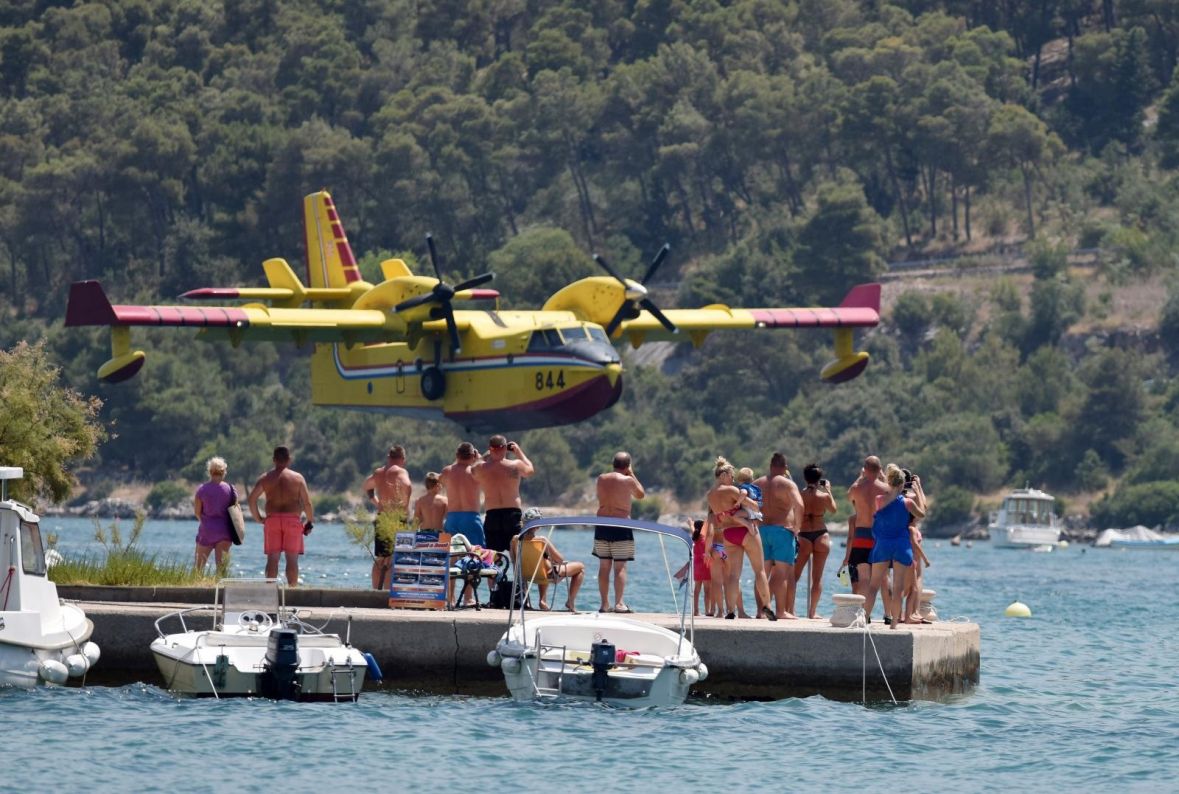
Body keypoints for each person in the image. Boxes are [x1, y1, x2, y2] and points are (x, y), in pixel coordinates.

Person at [708, 456, 774, 621]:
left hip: (728, 534)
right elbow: (753, 505)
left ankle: (731, 611)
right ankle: (767, 608)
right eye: (731, 476)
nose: (732, 479)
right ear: (723, 475)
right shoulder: (731, 490)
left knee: (733, 575)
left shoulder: (710, 495)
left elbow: (716, 517)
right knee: (759, 571)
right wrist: (755, 505)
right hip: (746, 531)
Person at [863, 464, 927, 627]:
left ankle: (864, 619)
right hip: (901, 545)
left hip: (882, 544)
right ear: (902, 484)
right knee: (898, 588)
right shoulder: (908, 503)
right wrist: (918, 489)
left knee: (873, 586)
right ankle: (894, 625)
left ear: (889, 483)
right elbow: (922, 513)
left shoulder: (879, 500)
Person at [248, 445, 314, 586]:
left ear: (274, 460)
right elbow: (307, 503)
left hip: (272, 520)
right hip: (292, 520)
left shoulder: (266, 478)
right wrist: (309, 521)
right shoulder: (298, 478)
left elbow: (252, 499)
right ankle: (292, 591)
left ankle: (270, 592)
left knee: (272, 558)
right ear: (289, 460)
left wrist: (258, 518)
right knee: (292, 559)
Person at [594, 451, 645, 613]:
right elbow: (640, 495)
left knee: (604, 566)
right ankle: (619, 603)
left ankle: (604, 604)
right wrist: (632, 474)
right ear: (627, 466)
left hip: (601, 525)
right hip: (620, 526)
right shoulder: (628, 480)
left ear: (613, 464)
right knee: (620, 567)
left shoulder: (601, 479)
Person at [753, 453, 802, 620]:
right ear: (785, 467)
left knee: (761, 573)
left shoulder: (756, 483)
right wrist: (797, 527)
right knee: (781, 574)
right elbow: (800, 505)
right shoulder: (787, 484)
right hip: (782, 531)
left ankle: (760, 611)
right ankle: (778, 611)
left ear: (770, 465)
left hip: (761, 531)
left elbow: (744, 505)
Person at [362, 445, 413, 591]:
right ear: (402, 459)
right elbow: (407, 485)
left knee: (380, 558)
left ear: (388, 457)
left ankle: (376, 591)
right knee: (392, 558)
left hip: (382, 516)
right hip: (396, 518)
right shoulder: (401, 471)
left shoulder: (379, 473)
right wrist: (405, 504)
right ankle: (389, 593)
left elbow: (366, 485)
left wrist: (375, 501)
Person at [473, 435, 534, 552]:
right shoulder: (515, 465)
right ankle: (518, 570)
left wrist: (486, 454)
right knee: (517, 551)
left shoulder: (481, 468)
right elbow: (530, 470)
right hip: (512, 514)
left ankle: (494, 570)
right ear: (506, 447)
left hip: (492, 514)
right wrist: (518, 451)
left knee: (492, 554)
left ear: (490, 449)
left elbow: (472, 469)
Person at [512, 517, 586, 611]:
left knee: (541, 563)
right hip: (547, 574)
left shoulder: (515, 539)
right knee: (580, 567)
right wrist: (552, 560)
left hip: (525, 575)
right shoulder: (541, 540)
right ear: (537, 526)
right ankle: (570, 602)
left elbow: (514, 561)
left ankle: (542, 601)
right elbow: (560, 560)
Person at [842, 456, 890, 596]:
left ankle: (862, 613)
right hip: (879, 535)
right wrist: (884, 478)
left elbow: (849, 496)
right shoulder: (886, 489)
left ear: (865, 469)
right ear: (879, 469)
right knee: (884, 578)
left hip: (861, 535)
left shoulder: (857, 488)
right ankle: (889, 614)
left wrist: (859, 477)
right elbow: (895, 494)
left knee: (863, 578)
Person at [795, 463, 838, 619]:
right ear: (819, 479)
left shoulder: (799, 495)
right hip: (821, 534)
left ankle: (789, 609)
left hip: (804, 534)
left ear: (805, 478)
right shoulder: (824, 496)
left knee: (794, 576)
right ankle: (812, 612)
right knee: (817, 578)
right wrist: (829, 491)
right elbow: (833, 510)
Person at [193, 456, 235, 574]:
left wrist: (206, 522)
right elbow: (235, 512)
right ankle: (220, 591)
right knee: (221, 570)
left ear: (210, 472)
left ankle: (198, 589)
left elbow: (197, 512)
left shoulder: (202, 490)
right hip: (225, 531)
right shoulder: (230, 489)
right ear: (224, 472)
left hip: (207, 530)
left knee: (198, 570)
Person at [440, 442, 484, 546]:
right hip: (471, 518)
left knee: (449, 555)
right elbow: (484, 467)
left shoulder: (447, 471)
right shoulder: (475, 472)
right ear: (473, 455)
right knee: (477, 554)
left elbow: (441, 481)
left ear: (456, 455)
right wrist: (479, 458)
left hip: (451, 518)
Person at [673, 518, 711, 617]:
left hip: (697, 565)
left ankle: (696, 611)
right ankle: (708, 610)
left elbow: (693, 530)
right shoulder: (703, 537)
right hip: (706, 564)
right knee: (707, 590)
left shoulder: (695, 538)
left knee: (697, 590)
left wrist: (691, 524)